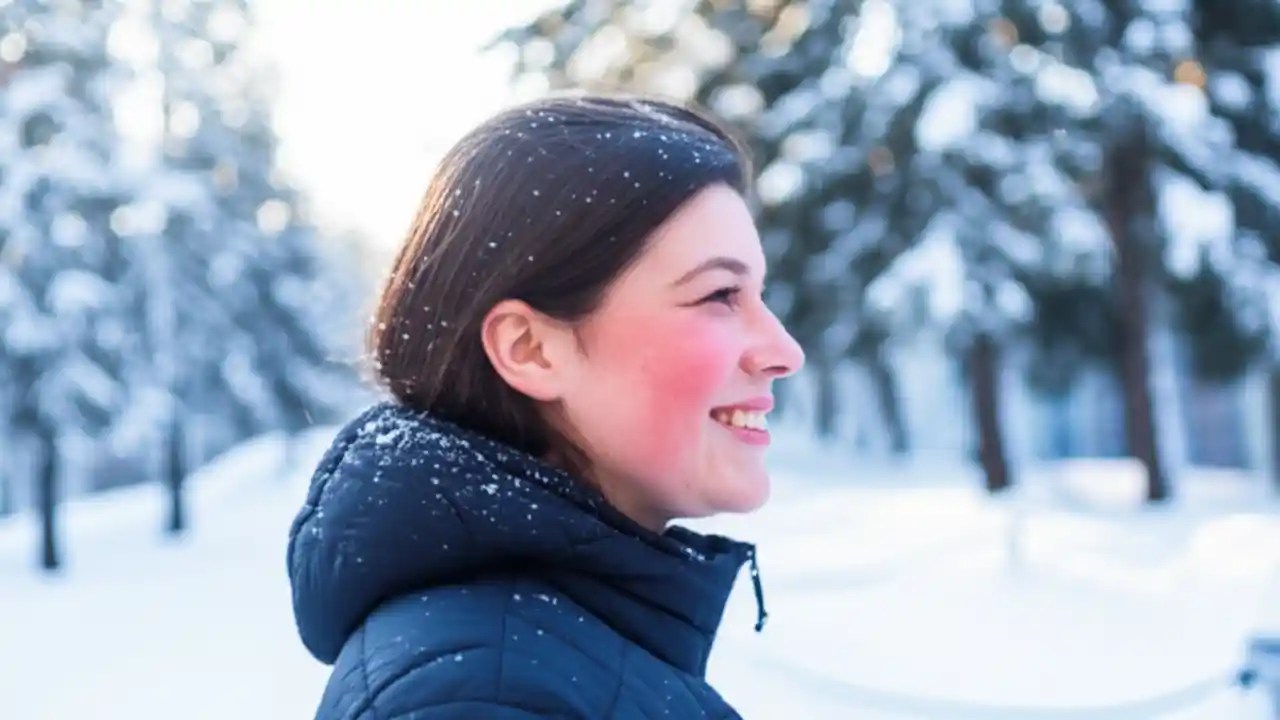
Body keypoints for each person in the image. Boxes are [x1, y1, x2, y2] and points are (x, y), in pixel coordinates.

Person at [286, 93, 805, 719]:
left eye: (759, 294)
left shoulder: (521, 659)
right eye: (720, 294)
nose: (783, 350)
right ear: (531, 349)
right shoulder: (485, 694)